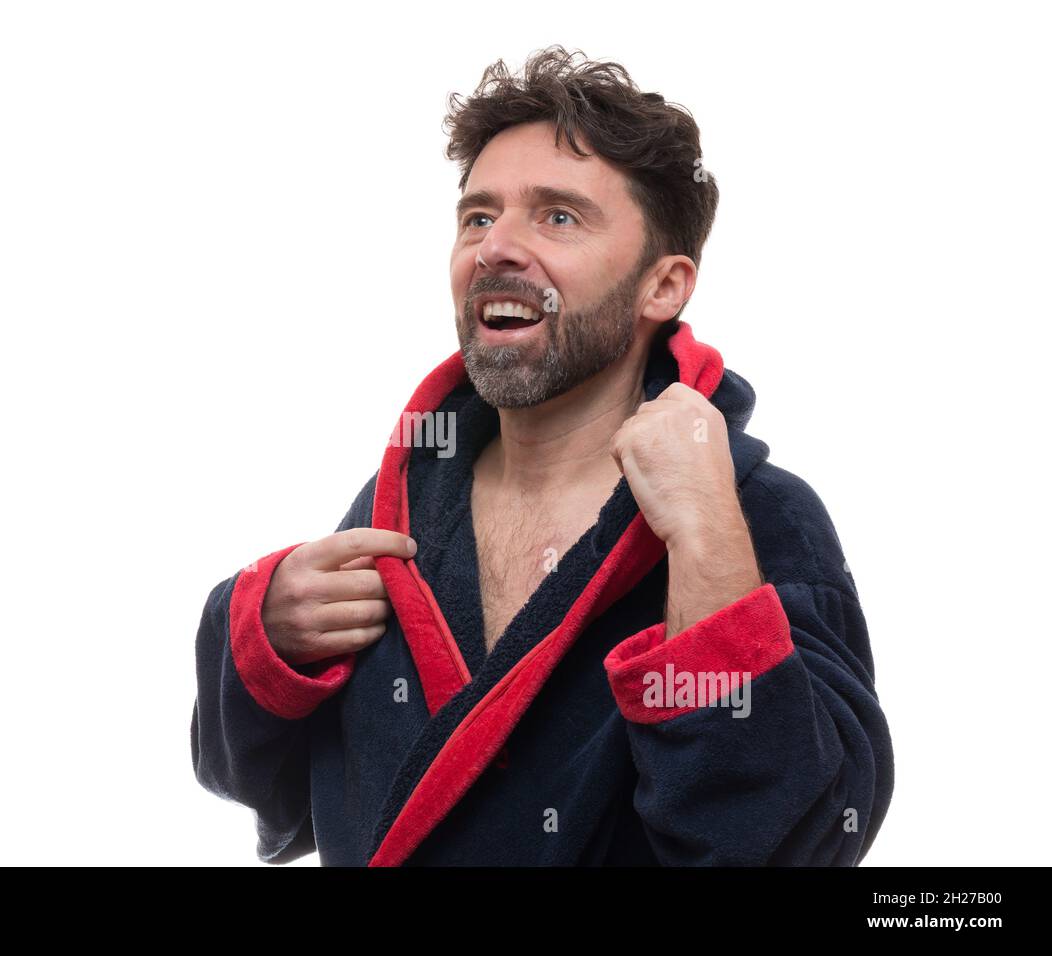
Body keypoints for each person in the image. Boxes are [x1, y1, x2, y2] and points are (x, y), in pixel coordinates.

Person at [190, 45, 894, 866]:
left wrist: (704, 539)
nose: (495, 248)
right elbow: (270, 794)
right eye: (478, 217)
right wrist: (257, 639)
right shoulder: (403, 502)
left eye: (558, 216)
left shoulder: (759, 516)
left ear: (661, 286)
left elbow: (791, 842)